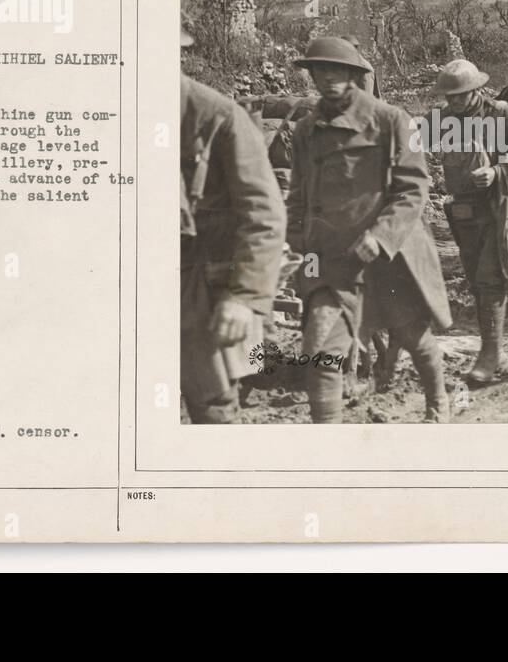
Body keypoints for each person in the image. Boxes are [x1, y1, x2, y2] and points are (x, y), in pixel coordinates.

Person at [285, 37, 452, 423]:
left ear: (355, 76)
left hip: (389, 260)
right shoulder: (305, 132)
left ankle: (437, 401)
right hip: (329, 263)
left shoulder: (393, 120)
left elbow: (414, 188)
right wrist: (295, 251)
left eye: (337, 71)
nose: (328, 79)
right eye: (320, 71)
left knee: (413, 337)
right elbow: (297, 198)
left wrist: (380, 236)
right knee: (322, 355)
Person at [180, 29, 285, 424]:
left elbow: (264, 216)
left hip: (200, 292)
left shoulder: (217, 117)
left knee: (211, 406)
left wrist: (244, 296)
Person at [432, 58, 508, 384]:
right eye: (450, 97)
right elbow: (422, 154)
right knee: (476, 282)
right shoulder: (442, 120)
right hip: (461, 215)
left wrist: (499, 171)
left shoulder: (503, 115)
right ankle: (496, 351)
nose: (455, 102)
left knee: (491, 281)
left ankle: (489, 356)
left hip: (499, 210)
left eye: (461, 95)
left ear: (476, 90)